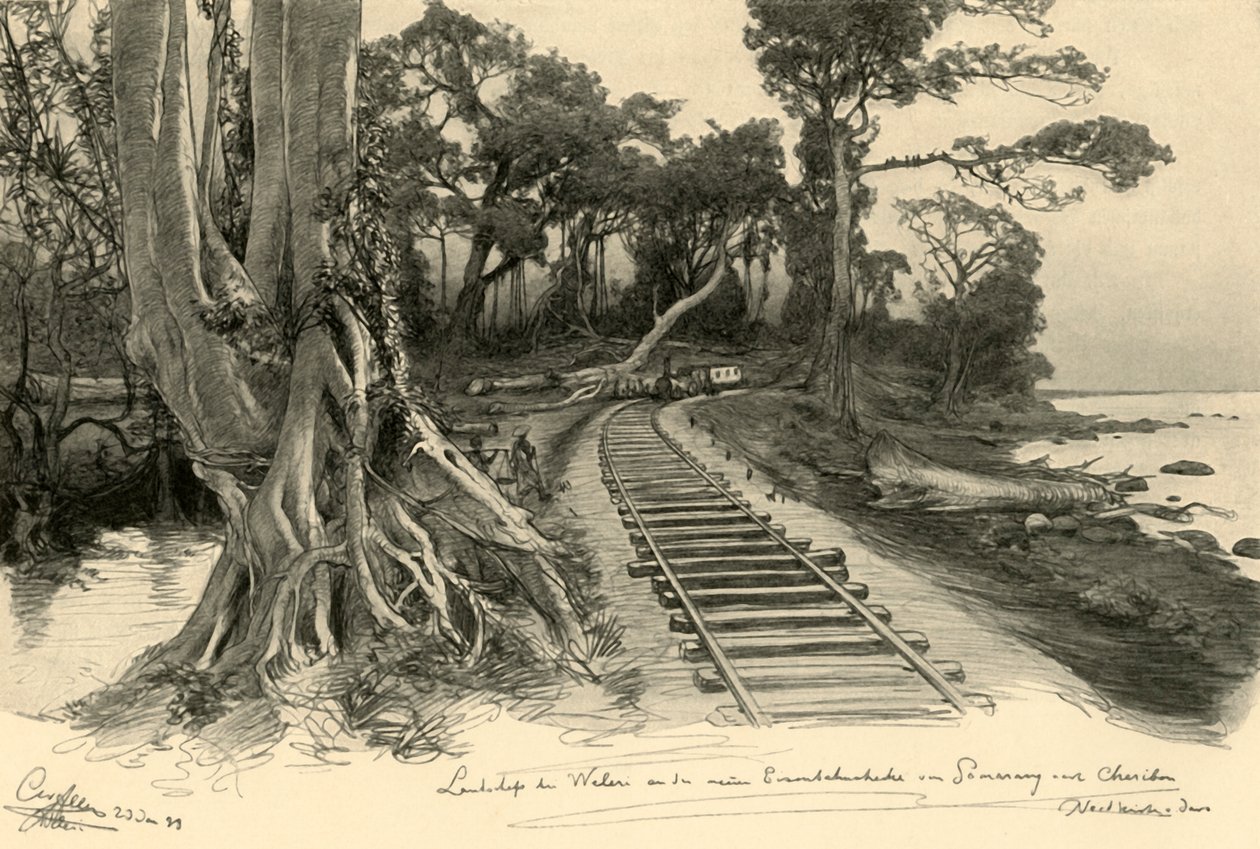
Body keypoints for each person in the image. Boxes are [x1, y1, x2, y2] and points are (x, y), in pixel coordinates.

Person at [509, 425, 549, 502]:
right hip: (524, 468)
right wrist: (532, 452)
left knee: (526, 484)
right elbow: (526, 457)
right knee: (533, 481)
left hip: (523, 467)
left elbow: (519, 458)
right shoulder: (522, 445)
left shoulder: (519, 444)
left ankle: (541, 495)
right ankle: (541, 496)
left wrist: (532, 452)